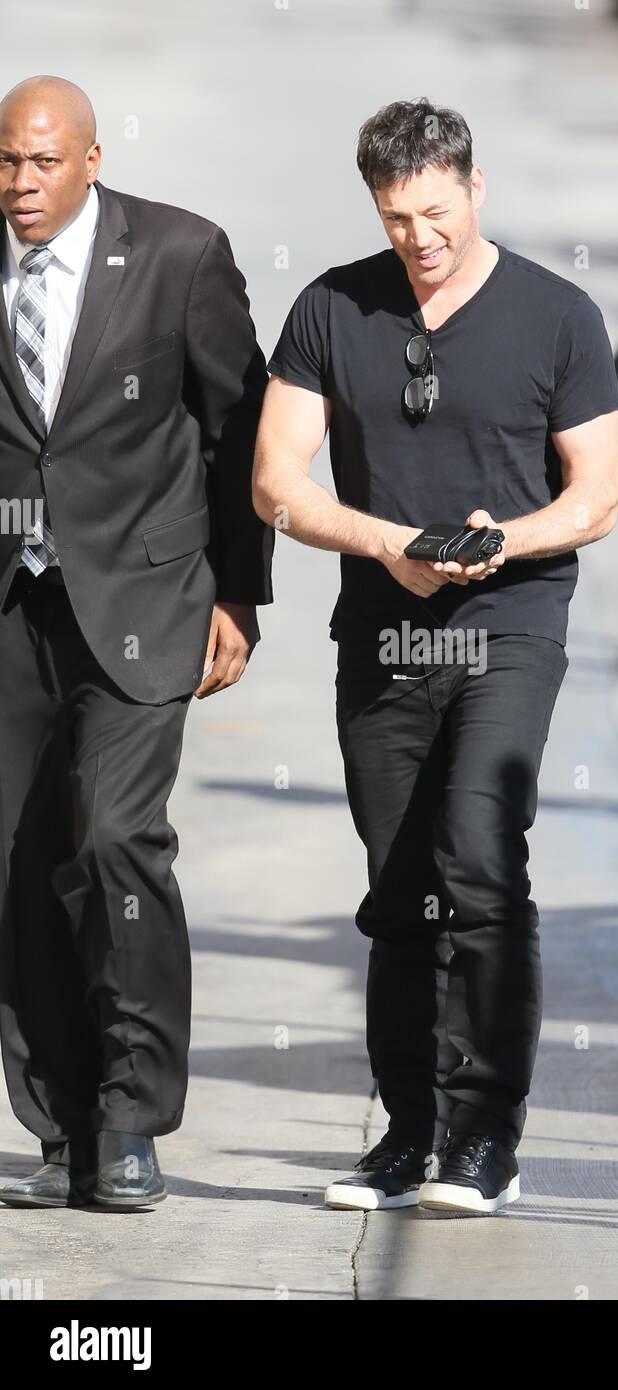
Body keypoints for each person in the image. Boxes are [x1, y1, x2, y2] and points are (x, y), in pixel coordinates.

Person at [253, 98, 618, 1214]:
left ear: (473, 186)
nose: (418, 237)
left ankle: (482, 1138)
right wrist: (389, 545)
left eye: (434, 210)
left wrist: (492, 542)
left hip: (510, 623)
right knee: (397, 883)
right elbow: (277, 481)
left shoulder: (558, 315)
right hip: (380, 628)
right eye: (394, 215)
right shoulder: (331, 305)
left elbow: (594, 499)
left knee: (476, 850)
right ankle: (408, 1131)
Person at [0, 76, 273, 1210]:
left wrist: (239, 597)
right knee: (15, 868)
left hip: (144, 601)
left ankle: (131, 1118)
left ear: (93, 159)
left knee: (115, 844)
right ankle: (58, 1122)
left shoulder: (178, 256)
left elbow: (238, 424)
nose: (21, 184)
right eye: (7, 162)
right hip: (13, 611)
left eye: (44, 163)